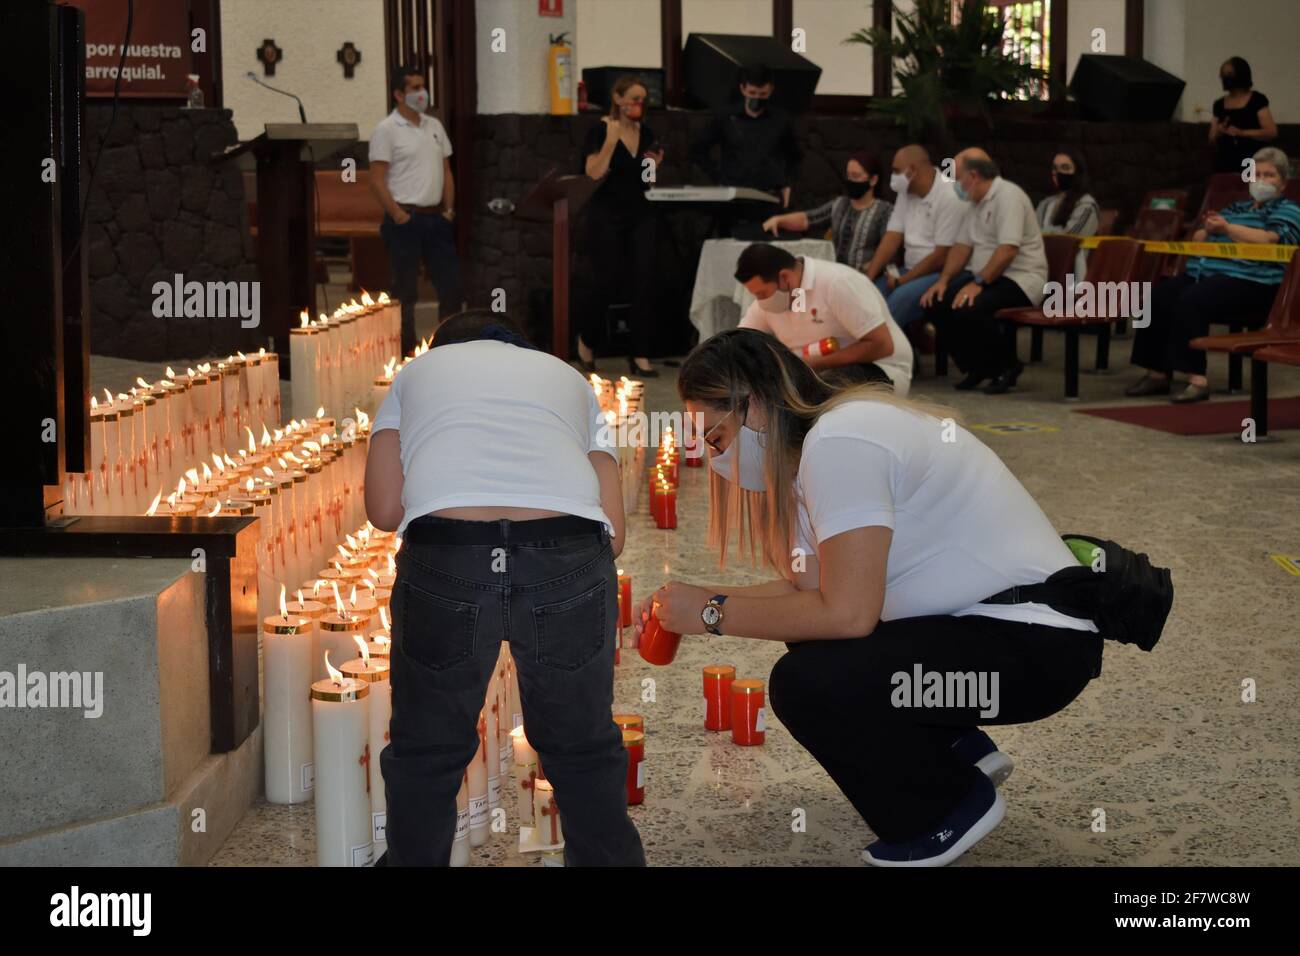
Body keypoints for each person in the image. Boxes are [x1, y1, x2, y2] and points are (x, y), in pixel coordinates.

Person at [636, 329, 1102, 866]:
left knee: (805, 684)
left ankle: (944, 808)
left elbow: (848, 614)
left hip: (1037, 647)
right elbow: (807, 592)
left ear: (755, 407)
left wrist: (712, 612)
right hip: (996, 634)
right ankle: (957, 751)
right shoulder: (820, 450)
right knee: (808, 640)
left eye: (715, 437)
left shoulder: (843, 441)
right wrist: (699, 601)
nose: (716, 458)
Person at [365, 309, 646, 867]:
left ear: (440, 348)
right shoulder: (566, 379)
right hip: (566, 550)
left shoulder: (414, 375)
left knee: (429, 745)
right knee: (581, 743)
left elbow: (383, 509)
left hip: (449, 551)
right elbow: (612, 531)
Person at [1126, 148, 1300, 403]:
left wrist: (1227, 229)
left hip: (1256, 283)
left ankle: (1197, 379)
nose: (1261, 180)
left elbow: (1269, 240)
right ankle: (1156, 374)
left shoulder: (1289, 210)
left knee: (1191, 299)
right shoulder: (1236, 208)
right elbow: (1198, 236)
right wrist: (1210, 229)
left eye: (1269, 175)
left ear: (1283, 183)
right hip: (1208, 273)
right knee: (1158, 297)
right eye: (1256, 173)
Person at [920, 149, 1048, 394]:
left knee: (971, 306)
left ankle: (1007, 366)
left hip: (1021, 278)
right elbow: (962, 246)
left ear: (974, 175)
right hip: (990, 277)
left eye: (957, 178)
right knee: (935, 302)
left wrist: (977, 283)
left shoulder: (1008, 196)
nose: (955, 185)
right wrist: (943, 280)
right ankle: (976, 367)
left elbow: (1008, 250)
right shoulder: (974, 203)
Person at [369, 65, 463, 356]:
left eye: (423, 86)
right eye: (414, 88)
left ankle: (447, 347)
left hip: (436, 218)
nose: (422, 93)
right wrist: (397, 214)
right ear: (398, 94)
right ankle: (406, 351)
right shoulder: (387, 130)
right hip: (405, 219)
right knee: (405, 291)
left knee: (450, 284)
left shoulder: (434, 126)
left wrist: (449, 209)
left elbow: (446, 170)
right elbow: (376, 177)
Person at [734, 243, 913, 393]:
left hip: (880, 368)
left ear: (785, 277)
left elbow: (883, 345)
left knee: (812, 397)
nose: (760, 301)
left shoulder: (837, 283)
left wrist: (811, 364)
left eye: (762, 293)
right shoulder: (772, 300)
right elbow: (739, 341)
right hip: (811, 372)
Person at [577, 75, 664, 378]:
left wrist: (654, 165)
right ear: (617, 98)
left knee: (644, 279)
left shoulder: (647, 132)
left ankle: (639, 352)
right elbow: (592, 173)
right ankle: (587, 344)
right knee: (606, 281)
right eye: (633, 98)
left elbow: (646, 180)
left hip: (639, 211)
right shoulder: (600, 130)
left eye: (642, 99)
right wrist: (611, 141)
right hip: (605, 213)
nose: (637, 104)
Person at [862, 144, 966, 331]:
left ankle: (883, 354)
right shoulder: (906, 192)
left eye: (896, 171)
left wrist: (903, 281)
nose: (893, 177)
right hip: (909, 270)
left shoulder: (949, 195)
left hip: (941, 273)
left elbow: (941, 256)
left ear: (912, 170)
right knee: (868, 297)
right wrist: (868, 277)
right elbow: (892, 236)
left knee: (896, 304)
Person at [691, 64, 802, 231]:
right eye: (752, 93)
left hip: (769, 197)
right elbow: (698, 149)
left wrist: (788, 184)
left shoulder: (781, 120)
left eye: (762, 94)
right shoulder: (725, 117)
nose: (757, 98)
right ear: (743, 89)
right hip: (734, 198)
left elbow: (795, 156)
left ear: (771, 90)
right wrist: (718, 177)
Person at [760, 151, 893, 271]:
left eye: (856, 176)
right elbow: (809, 219)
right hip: (836, 274)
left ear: (873, 180)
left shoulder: (884, 211)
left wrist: (871, 268)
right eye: (848, 176)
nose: (851, 180)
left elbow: (889, 250)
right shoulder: (840, 204)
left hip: (867, 277)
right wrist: (779, 220)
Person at [1035, 147, 1100, 279]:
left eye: (1065, 168)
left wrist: (1044, 235)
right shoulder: (1045, 204)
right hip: (1040, 267)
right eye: (1055, 168)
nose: (1058, 173)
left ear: (1077, 172)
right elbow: (1032, 235)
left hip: (1071, 272)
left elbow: (1069, 239)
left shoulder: (1087, 205)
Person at [1210, 57, 1277, 175]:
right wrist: (1219, 132)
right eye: (1223, 74)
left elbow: (1271, 132)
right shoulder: (1219, 104)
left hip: (1253, 161)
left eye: (1229, 74)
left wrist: (1242, 133)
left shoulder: (1257, 100)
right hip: (1225, 161)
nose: (1224, 78)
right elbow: (1211, 137)